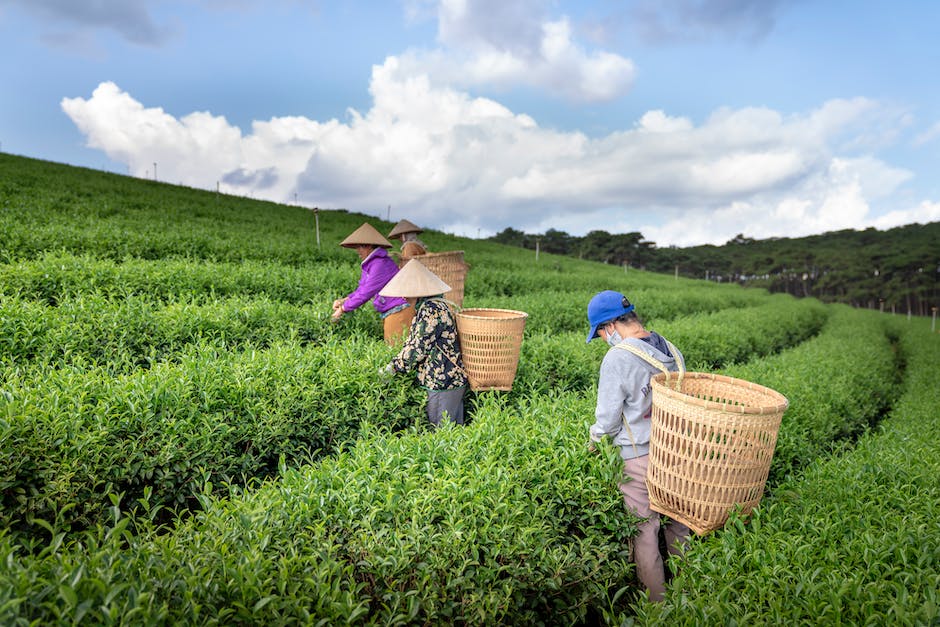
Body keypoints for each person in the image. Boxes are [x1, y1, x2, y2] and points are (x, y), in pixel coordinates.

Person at [585, 289, 690, 603]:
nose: (604, 338)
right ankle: (688, 595)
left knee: (644, 533)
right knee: (679, 527)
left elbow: (607, 419)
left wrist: (592, 444)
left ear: (612, 325)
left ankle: (657, 609)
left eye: (602, 332)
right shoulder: (672, 349)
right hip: (675, 451)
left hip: (638, 457)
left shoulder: (618, 357)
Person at [378, 259, 467, 426]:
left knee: (442, 434)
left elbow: (418, 347)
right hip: (451, 380)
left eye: (407, 291)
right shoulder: (435, 305)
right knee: (454, 432)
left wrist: (394, 367)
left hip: (443, 382)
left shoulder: (431, 311)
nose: (403, 296)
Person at [332, 222, 415, 345]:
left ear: (368, 246)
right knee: (393, 347)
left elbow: (366, 292)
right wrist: (344, 300)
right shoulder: (371, 264)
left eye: (359, 247)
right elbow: (362, 288)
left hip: (399, 309)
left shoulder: (379, 264)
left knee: (396, 348)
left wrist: (343, 309)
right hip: (392, 309)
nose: (357, 251)